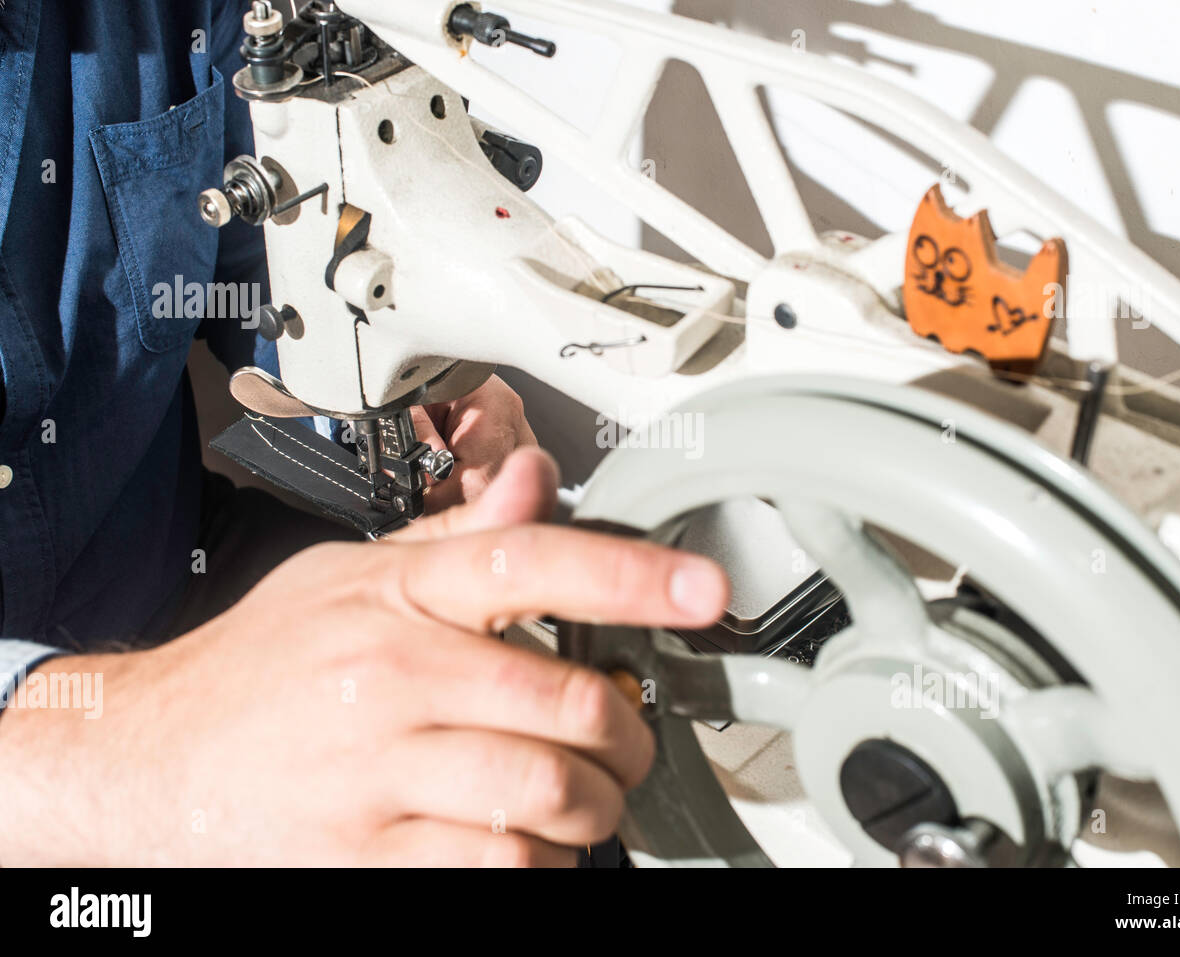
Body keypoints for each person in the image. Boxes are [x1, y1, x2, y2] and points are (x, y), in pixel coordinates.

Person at [0, 0, 729, 865]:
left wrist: (422, 372)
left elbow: (271, 262)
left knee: (524, 783)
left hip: (158, 572)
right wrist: (132, 754)